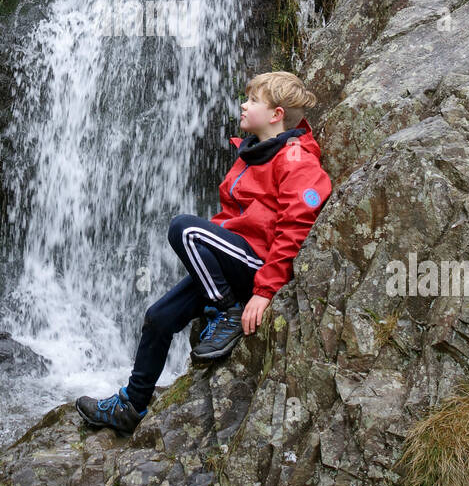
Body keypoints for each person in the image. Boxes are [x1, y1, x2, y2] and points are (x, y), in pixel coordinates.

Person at [76, 71, 332, 434]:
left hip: (256, 265)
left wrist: (264, 291)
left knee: (185, 228)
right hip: (233, 262)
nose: (243, 104)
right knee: (158, 317)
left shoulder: (296, 158)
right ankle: (131, 405)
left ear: (276, 114)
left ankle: (228, 311)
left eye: (253, 100)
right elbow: (229, 219)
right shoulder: (254, 151)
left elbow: (296, 226)